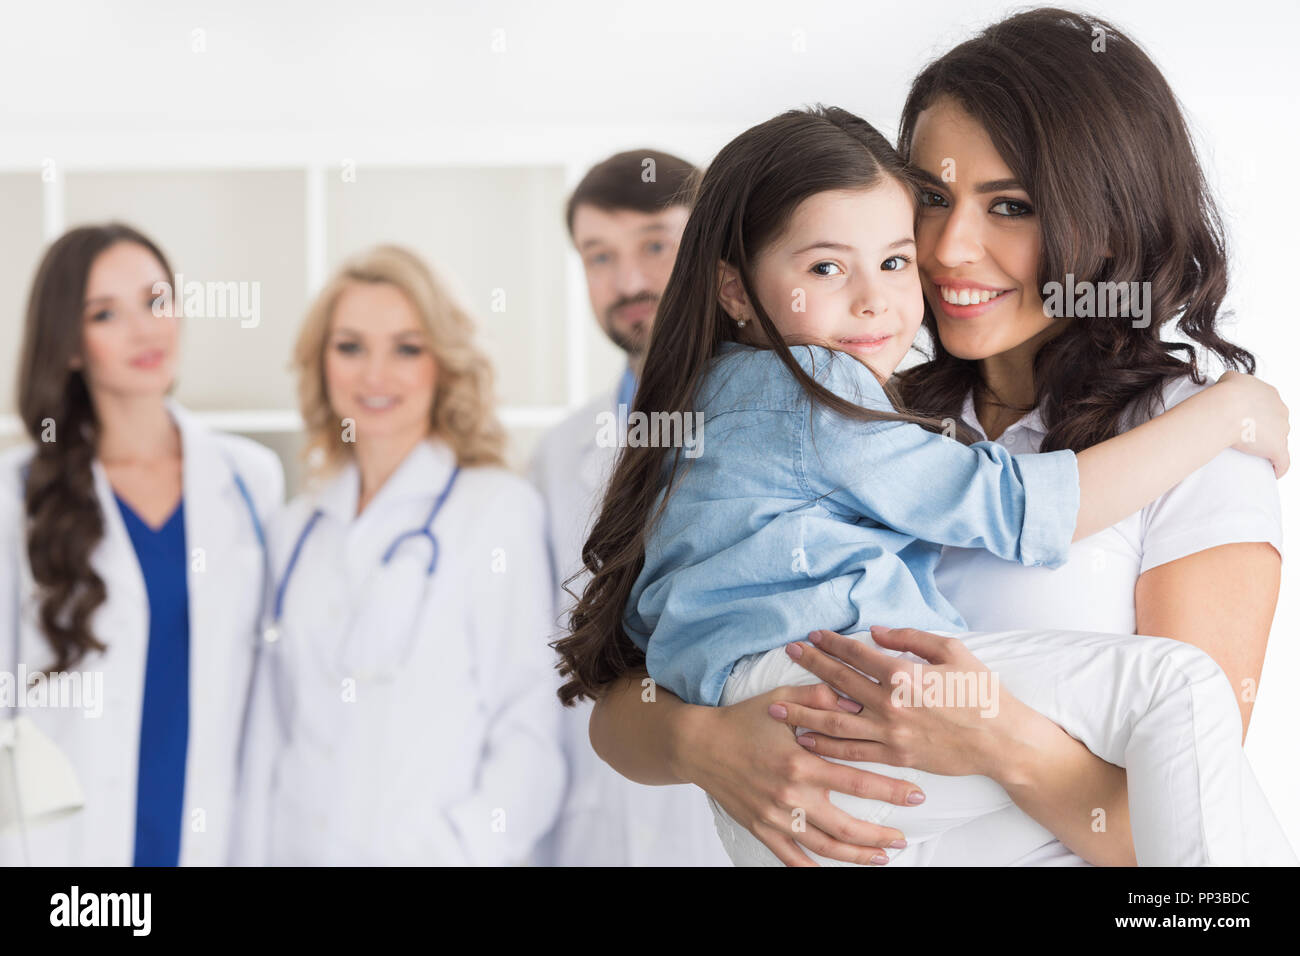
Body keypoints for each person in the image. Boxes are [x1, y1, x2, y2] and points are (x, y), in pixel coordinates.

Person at [581, 8, 1292, 867]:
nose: (951, 248)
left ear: (1102, 219)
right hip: (832, 782)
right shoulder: (864, 404)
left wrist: (987, 736)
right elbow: (619, 704)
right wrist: (707, 747)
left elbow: (1164, 819)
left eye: (1012, 207)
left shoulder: (1187, 447)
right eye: (931, 199)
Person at [234, 244, 563, 865]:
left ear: (443, 363)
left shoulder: (495, 510)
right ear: (320, 362)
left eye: (406, 348)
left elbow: (529, 738)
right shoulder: (293, 530)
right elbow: (269, 740)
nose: (374, 375)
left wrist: (456, 849)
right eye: (350, 346)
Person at [0, 223, 283, 866]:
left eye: (156, 301)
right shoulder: (17, 495)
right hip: (65, 852)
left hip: (210, 832)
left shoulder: (249, 481)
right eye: (106, 313)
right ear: (70, 347)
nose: (144, 329)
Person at [528, 150, 732, 866]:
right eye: (599, 256)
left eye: (654, 243)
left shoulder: (771, 415)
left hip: (734, 827)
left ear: (709, 245)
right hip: (595, 831)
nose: (630, 281)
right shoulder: (557, 456)